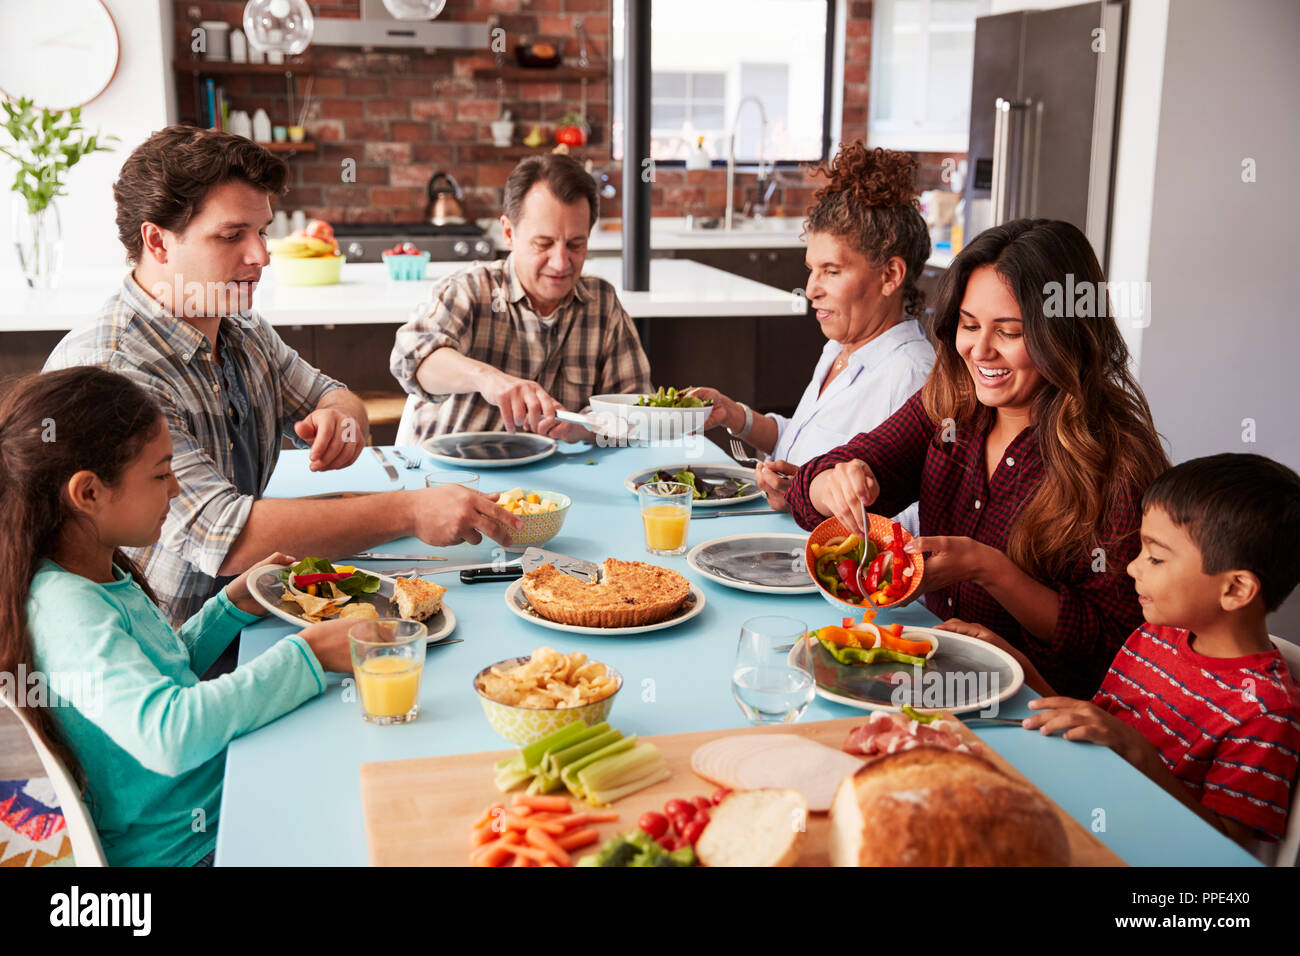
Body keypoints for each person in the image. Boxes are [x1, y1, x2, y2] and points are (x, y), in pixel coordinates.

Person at [44, 126, 521, 628]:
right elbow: (226, 537)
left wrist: (340, 417)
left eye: (262, 231)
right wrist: (410, 511)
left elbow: (333, 395)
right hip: (169, 651)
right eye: (231, 236)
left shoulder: (238, 322)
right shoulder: (113, 369)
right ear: (157, 241)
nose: (261, 256)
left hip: (249, 609)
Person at [787, 219, 1170, 699]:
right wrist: (833, 484)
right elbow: (814, 485)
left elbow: (1114, 644)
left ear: (1065, 334)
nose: (980, 350)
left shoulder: (1116, 462)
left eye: (1008, 332)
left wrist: (989, 568)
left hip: (1038, 711)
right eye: (969, 325)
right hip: (933, 681)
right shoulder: (952, 407)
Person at [0, 367, 358, 867]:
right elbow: (169, 734)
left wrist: (230, 607)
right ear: (88, 493)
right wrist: (310, 655)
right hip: (196, 851)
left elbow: (161, 671)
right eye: (160, 473)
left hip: (218, 811)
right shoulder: (67, 612)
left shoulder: (92, 571)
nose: (174, 489)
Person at [945, 455, 1300, 849]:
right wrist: (1014, 664)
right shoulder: (1156, 635)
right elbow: (1091, 727)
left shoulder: (1265, 713)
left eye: (1155, 557)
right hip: (1069, 804)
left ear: (1235, 590)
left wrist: (1137, 753)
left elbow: (1224, 849)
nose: (1133, 568)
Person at [686, 144, 934, 530]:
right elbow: (803, 444)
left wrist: (809, 496)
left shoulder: (912, 377)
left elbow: (911, 523)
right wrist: (736, 416)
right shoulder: (839, 348)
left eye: (831, 271)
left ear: (890, 276)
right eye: (811, 269)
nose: (811, 288)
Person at [390, 153, 653, 443]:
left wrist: (583, 428)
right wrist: (486, 378)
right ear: (508, 233)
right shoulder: (469, 289)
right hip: (450, 478)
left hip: (552, 483)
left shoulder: (602, 303)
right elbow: (411, 360)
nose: (561, 262)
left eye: (576, 245)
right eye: (544, 244)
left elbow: (638, 414)